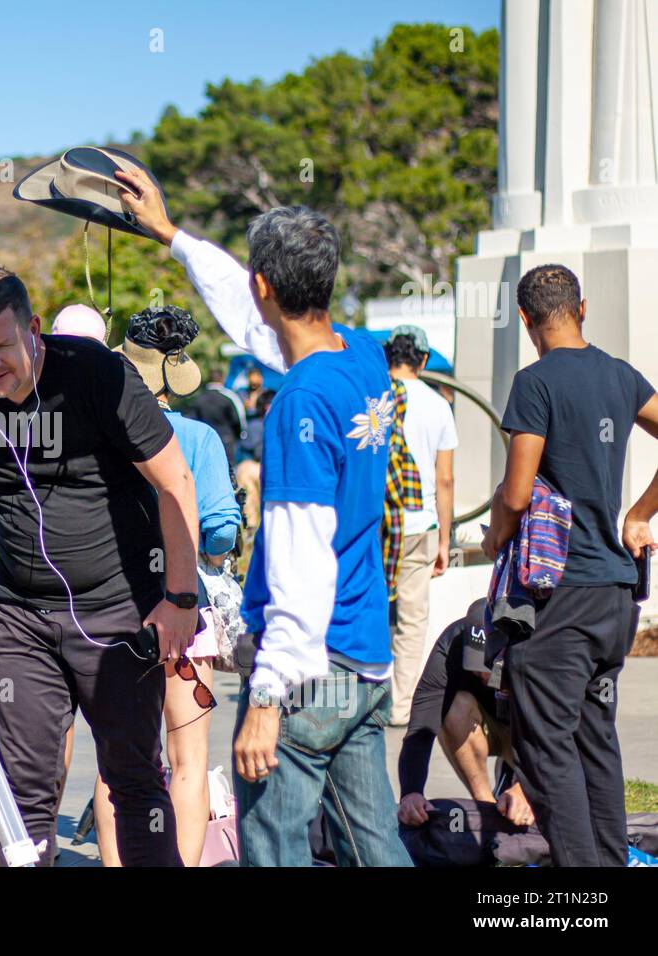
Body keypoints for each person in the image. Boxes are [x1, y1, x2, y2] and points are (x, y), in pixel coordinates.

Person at [119, 166, 412, 866]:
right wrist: (172, 236)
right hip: (364, 659)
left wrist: (267, 700)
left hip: (308, 671)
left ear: (264, 283)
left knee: (275, 849)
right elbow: (259, 324)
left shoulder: (299, 406)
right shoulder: (364, 358)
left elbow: (300, 563)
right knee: (375, 851)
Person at [0, 266, 199, 867]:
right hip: (22, 615)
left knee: (133, 780)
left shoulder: (100, 376)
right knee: (20, 789)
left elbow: (175, 484)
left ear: (34, 329)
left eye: (3, 347)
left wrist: (181, 598)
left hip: (117, 611)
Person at [481, 263, 657, 867]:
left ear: (525, 320)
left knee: (546, 748)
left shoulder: (534, 383)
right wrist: (639, 514)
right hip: (614, 593)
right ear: (582, 308)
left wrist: (494, 537)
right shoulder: (620, 375)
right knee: (595, 742)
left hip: (563, 597)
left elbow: (518, 491)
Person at [91, 304, 243, 867]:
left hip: (108, 610)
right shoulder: (198, 437)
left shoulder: (97, 431)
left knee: (118, 761)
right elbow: (220, 538)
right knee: (188, 759)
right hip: (184, 612)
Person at [396, 599, 535, 829]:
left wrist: (526, 786)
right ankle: (486, 807)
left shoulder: (533, 648)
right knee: (453, 707)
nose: (482, 675)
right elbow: (421, 729)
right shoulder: (451, 646)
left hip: (533, 734)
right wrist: (411, 792)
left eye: (488, 667)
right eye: (475, 666)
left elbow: (559, 729)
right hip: (492, 727)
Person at [384, 325, 457, 725]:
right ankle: (399, 705)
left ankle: (362, 697)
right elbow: (445, 478)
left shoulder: (371, 398)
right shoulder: (438, 404)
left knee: (372, 607)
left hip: (374, 523)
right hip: (419, 523)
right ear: (424, 361)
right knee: (412, 617)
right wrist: (445, 539)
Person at [185, 366, 248, 463]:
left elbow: (191, 421)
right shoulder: (229, 397)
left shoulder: (198, 399)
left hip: (205, 441)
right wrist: (239, 436)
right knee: (228, 471)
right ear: (222, 379)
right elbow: (238, 420)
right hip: (226, 440)